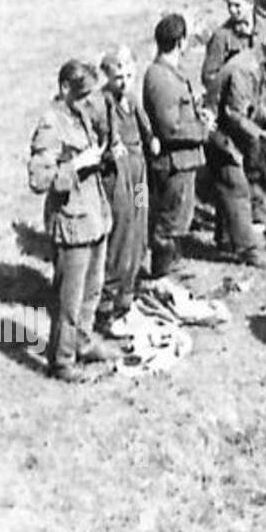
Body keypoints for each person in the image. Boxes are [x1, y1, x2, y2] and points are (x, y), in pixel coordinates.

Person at [27, 60, 116, 382]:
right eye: (82, 96)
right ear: (65, 89)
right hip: (72, 223)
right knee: (70, 299)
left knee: (92, 291)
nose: (88, 102)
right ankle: (62, 361)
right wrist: (77, 164)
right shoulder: (51, 124)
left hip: (93, 217)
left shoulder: (79, 114)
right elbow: (39, 180)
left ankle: (83, 341)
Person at [207, 34, 266, 264]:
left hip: (228, 131)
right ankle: (248, 249)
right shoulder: (246, 69)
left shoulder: (256, 63)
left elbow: (253, 100)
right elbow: (233, 114)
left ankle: (224, 238)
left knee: (227, 186)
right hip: (219, 134)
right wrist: (263, 134)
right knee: (236, 188)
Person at [94, 46, 158, 338]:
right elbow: (101, 145)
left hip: (139, 173)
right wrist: (110, 152)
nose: (125, 82)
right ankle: (107, 305)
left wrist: (152, 141)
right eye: (118, 76)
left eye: (130, 75)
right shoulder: (103, 103)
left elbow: (145, 128)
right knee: (120, 232)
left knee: (139, 228)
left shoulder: (132, 100)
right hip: (118, 177)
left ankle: (128, 295)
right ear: (107, 76)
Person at [143, 14, 210, 279]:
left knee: (179, 216)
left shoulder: (171, 72)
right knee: (168, 221)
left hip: (184, 159)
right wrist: (203, 130)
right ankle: (162, 274)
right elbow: (170, 127)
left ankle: (173, 265)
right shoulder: (161, 77)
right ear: (181, 42)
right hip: (174, 161)